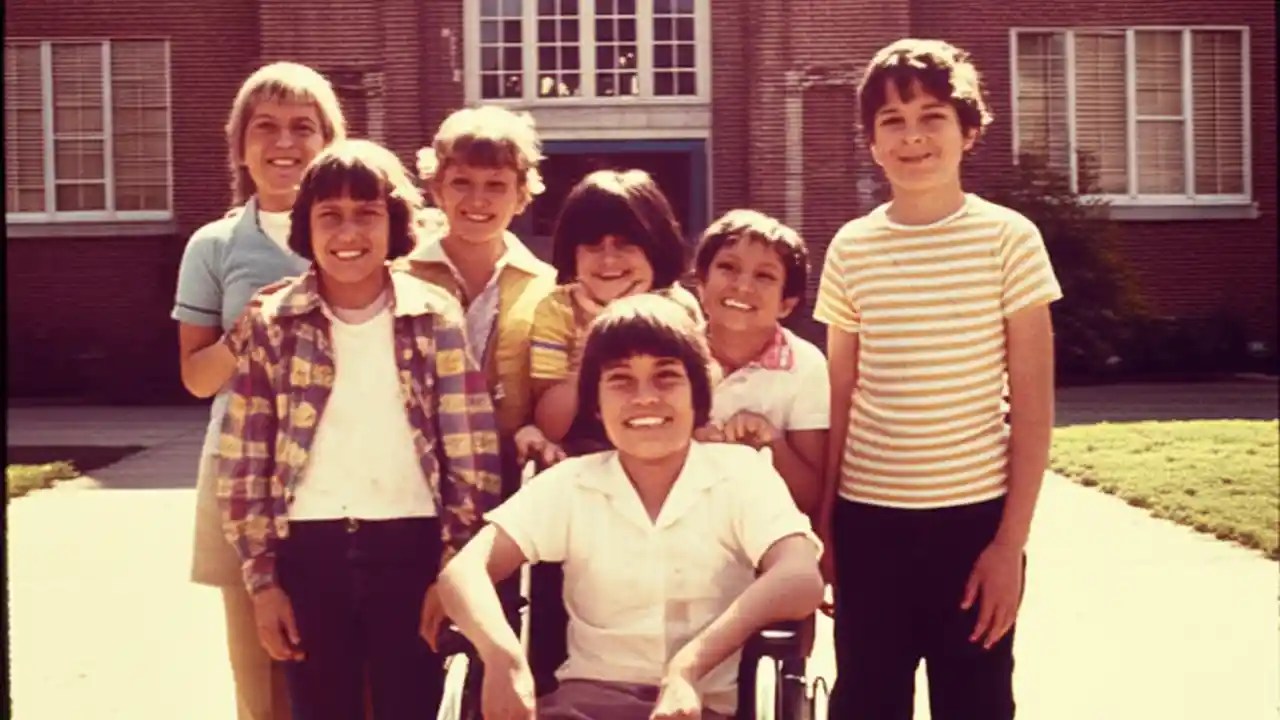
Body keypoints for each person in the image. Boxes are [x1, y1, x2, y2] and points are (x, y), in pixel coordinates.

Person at [812, 39, 1062, 720]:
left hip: (974, 529)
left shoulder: (1009, 239)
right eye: (891, 120)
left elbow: (1035, 407)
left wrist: (1009, 544)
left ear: (968, 131)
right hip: (870, 527)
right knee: (866, 700)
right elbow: (839, 396)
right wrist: (826, 523)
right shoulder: (851, 248)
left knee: (976, 703)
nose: (912, 136)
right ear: (870, 141)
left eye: (931, 116)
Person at [216, 139, 504, 720]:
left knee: (409, 704)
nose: (349, 233)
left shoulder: (433, 315)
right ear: (306, 227)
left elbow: (470, 450)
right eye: (330, 216)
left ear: (394, 223)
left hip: (411, 548)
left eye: (367, 214)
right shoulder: (273, 322)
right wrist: (263, 580)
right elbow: (244, 457)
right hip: (308, 553)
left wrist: (450, 571)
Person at [437, 294, 824, 720]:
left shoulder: (739, 474)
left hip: (701, 706)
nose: (645, 398)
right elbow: (463, 573)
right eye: (621, 380)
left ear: (698, 395)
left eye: (666, 378)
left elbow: (800, 576)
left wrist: (688, 667)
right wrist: (502, 657)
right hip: (584, 704)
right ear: (597, 407)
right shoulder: (571, 483)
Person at [170, 60, 346, 720]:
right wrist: (246, 331)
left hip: (347, 475)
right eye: (265, 127)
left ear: (330, 140)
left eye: (304, 127)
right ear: (240, 145)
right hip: (243, 475)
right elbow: (195, 378)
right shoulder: (214, 246)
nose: (284, 143)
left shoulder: (363, 230)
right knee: (262, 678)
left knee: (348, 669)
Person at [402, 105, 562, 488]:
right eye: (461, 182)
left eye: (495, 185)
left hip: (512, 476)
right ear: (437, 189)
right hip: (415, 479)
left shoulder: (547, 286)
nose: (477, 200)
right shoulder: (400, 278)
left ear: (522, 195)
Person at [529, 169, 704, 454]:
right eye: (593, 246)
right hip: (585, 453)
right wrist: (594, 341)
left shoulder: (678, 307)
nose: (609, 260)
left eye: (626, 245)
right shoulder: (558, 310)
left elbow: (701, 402)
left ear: (655, 247)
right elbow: (551, 424)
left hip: (665, 443)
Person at [692, 209, 829, 516]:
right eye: (728, 267)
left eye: (764, 276)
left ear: (786, 304)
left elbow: (809, 497)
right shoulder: (673, 356)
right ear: (700, 285)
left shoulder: (805, 367)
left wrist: (771, 443)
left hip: (763, 536)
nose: (743, 286)